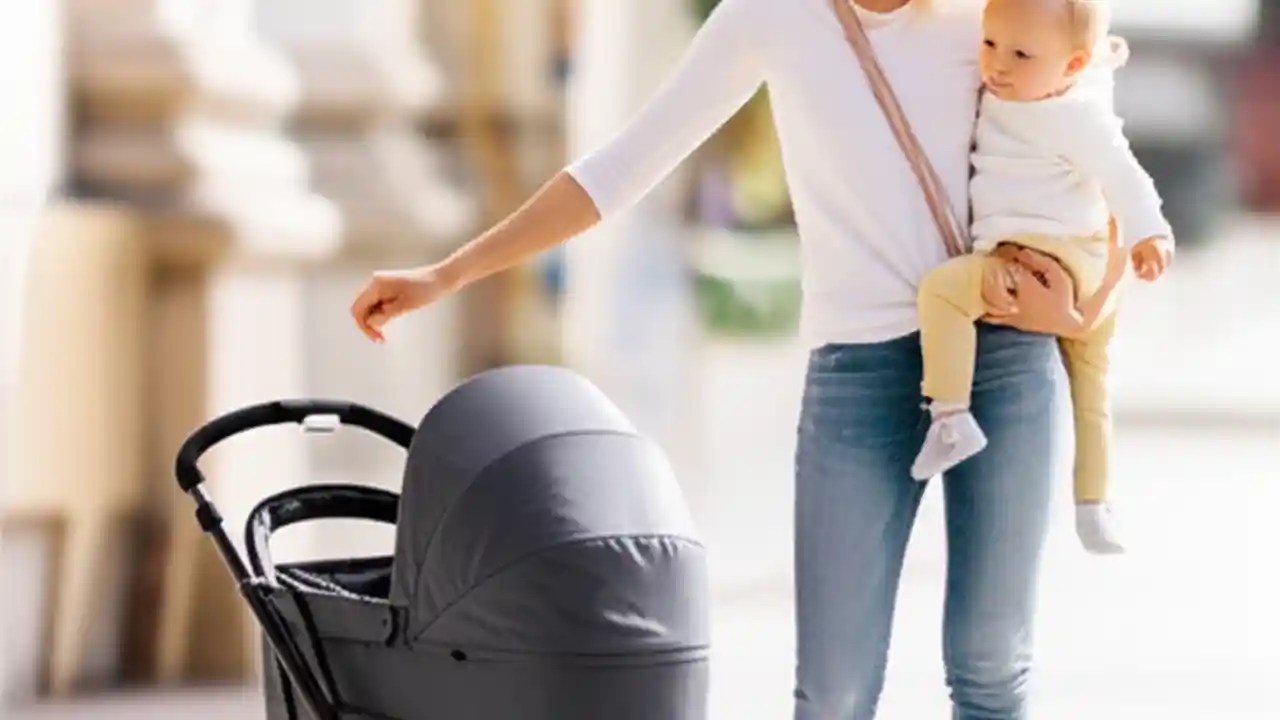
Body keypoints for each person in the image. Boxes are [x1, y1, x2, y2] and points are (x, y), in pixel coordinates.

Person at [351, 1, 1105, 717]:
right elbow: (621, 168)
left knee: (990, 666)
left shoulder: (991, 15)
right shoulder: (770, 15)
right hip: (859, 373)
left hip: (1003, 352)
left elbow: (1097, 170)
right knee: (834, 691)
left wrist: (1081, 309)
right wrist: (447, 274)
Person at [910, 0, 1174, 556]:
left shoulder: (1072, 114)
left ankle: (950, 417)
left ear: (1073, 67)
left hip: (1042, 258)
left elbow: (1126, 176)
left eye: (1020, 55)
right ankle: (1094, 506)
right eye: (989, 45)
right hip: (1083, 262)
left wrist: (1153, 233)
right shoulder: (1034, 91)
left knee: (943, 292)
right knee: (1094, 386)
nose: (998, 65)